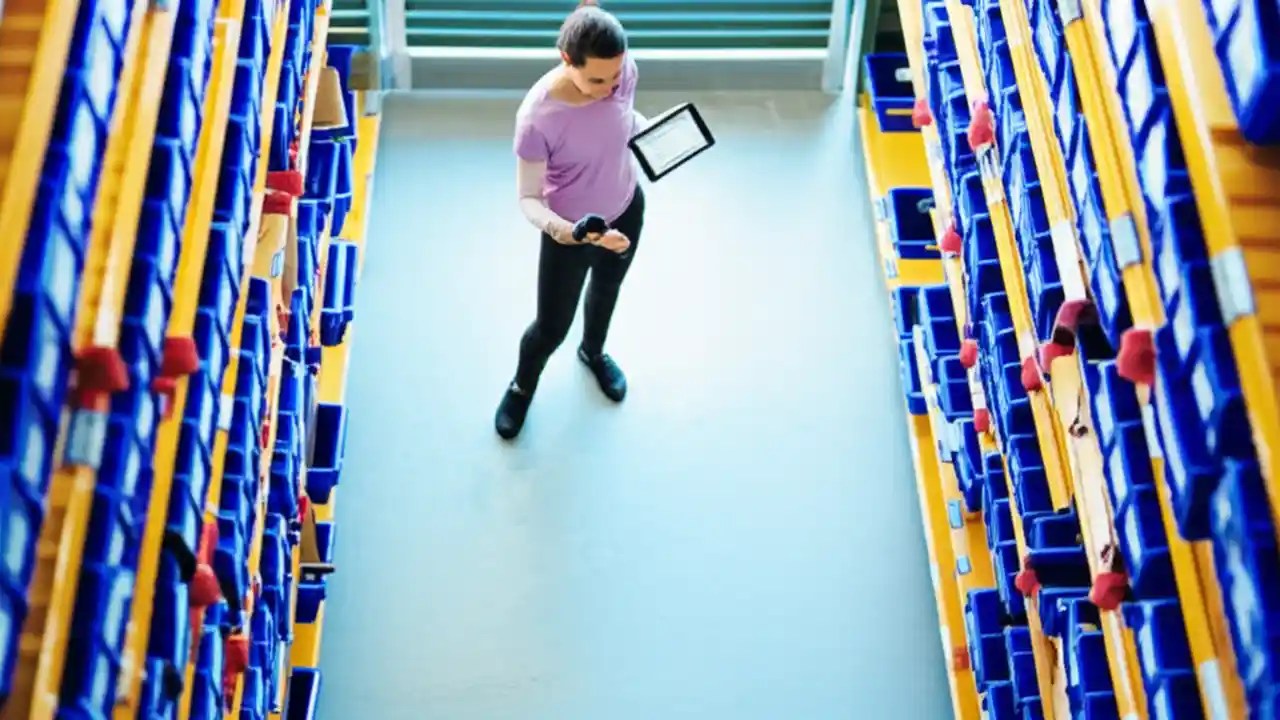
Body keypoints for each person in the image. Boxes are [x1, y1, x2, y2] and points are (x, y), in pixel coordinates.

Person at [494, 1, 647, 440]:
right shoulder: (538, 119)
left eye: (615, 76)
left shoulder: (622, 73)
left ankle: (592, 352)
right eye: (597, 80)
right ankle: (522, 387)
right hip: (571, 232)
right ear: (566, 59)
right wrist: (568, 232)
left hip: (626, 210)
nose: (609, 87)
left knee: (607, 290)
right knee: (551, 327)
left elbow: (622, 119)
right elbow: (528, 198)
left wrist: (655, 135)